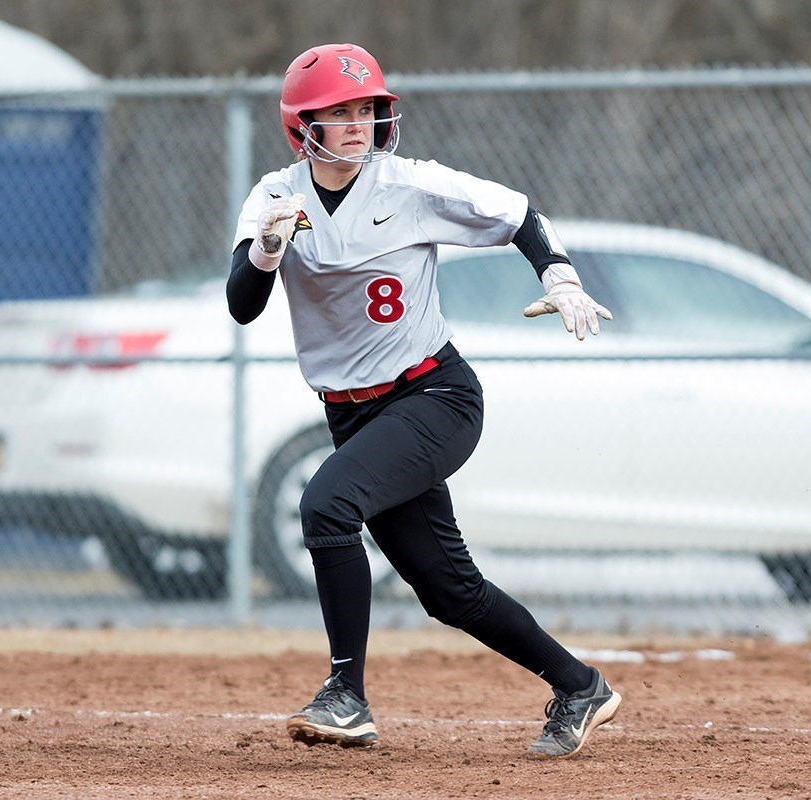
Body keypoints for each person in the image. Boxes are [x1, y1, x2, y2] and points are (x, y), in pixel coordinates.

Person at [226, 42, 619, 760]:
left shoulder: (408, 184)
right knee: (448, 590)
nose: (357, 123)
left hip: (434, 394)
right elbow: (242, 306)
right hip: (352, 411)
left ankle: (346, 694)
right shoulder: (275, 196)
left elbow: (518, 212)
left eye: (368, 109)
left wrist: (558, 274)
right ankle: (579, 684)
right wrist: (265, 252)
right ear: (300, 125)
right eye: (338, 111)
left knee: (325, 506)